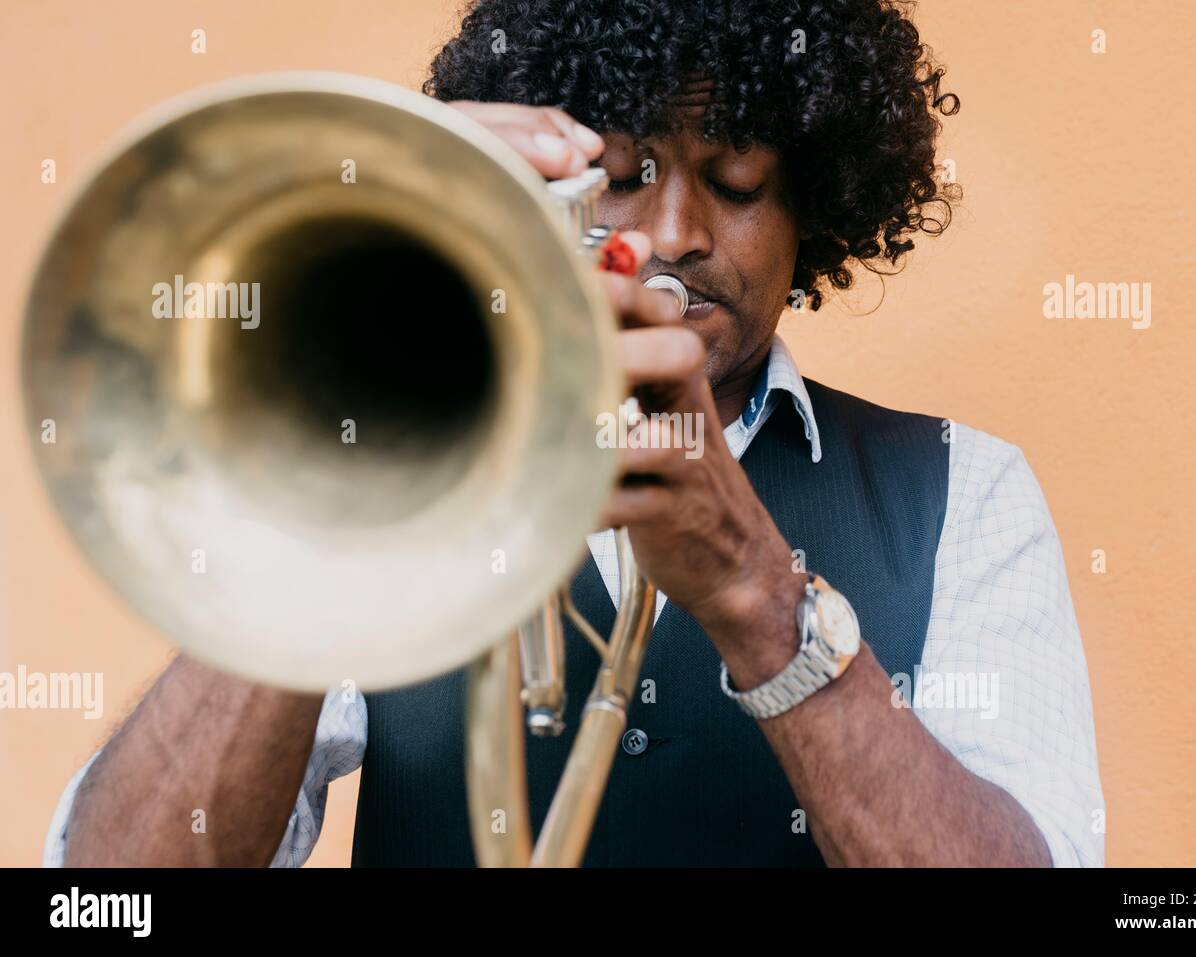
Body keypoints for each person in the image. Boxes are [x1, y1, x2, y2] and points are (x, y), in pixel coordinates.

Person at [48, 0, 1103, 867]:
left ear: (814, 210)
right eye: (627, 174)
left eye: (735, 181)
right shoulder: (400, 469)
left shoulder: (962, 491)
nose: (674, 235)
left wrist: (757, 593)